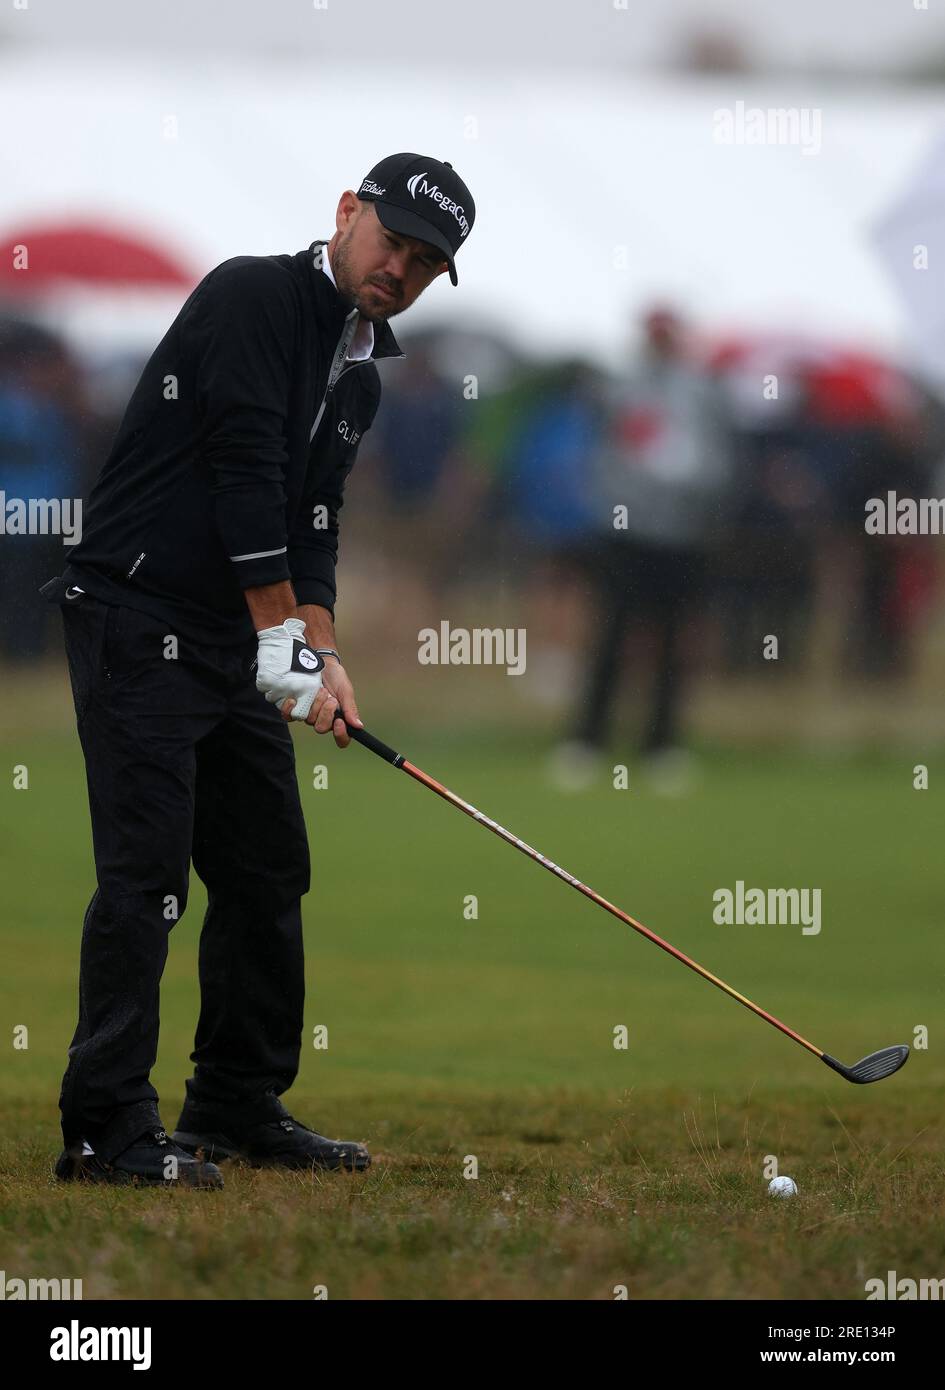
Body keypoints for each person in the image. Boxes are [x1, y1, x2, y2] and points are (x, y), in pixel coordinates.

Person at [39, 153, 476, 1188]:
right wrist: (279, 635)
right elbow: (243, 475)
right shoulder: (250, 296)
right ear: (345, 214)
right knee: (147, 881)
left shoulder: (360, 371)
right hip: (137, 615)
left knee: (267, 865)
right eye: (392, 241)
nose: (399, 268)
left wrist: (319, 652)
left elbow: (309, 522)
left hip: (232, 637)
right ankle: (104, 1128)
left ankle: (234, 1100)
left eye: (425, 262)